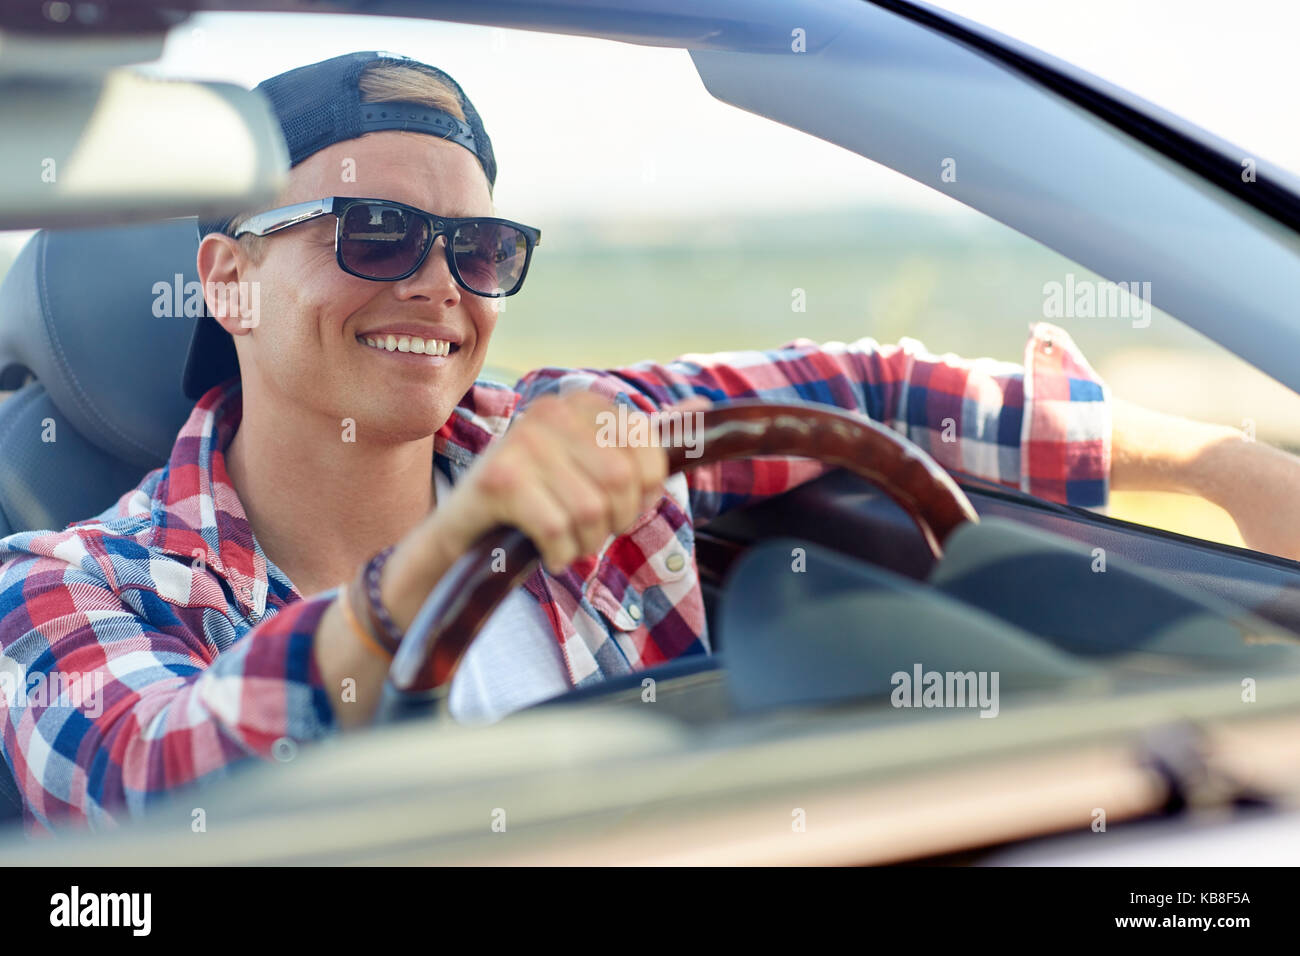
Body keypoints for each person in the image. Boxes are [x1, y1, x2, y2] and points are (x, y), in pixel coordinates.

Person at [0, 51, 1294, 833]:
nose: (437, 288)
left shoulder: (589, 434)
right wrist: (448, 550)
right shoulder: (61, 587)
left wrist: (1227, 472)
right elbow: (163, 786)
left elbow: (881, 391)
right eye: (374, 234)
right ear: (227, 281)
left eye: (479, 249)